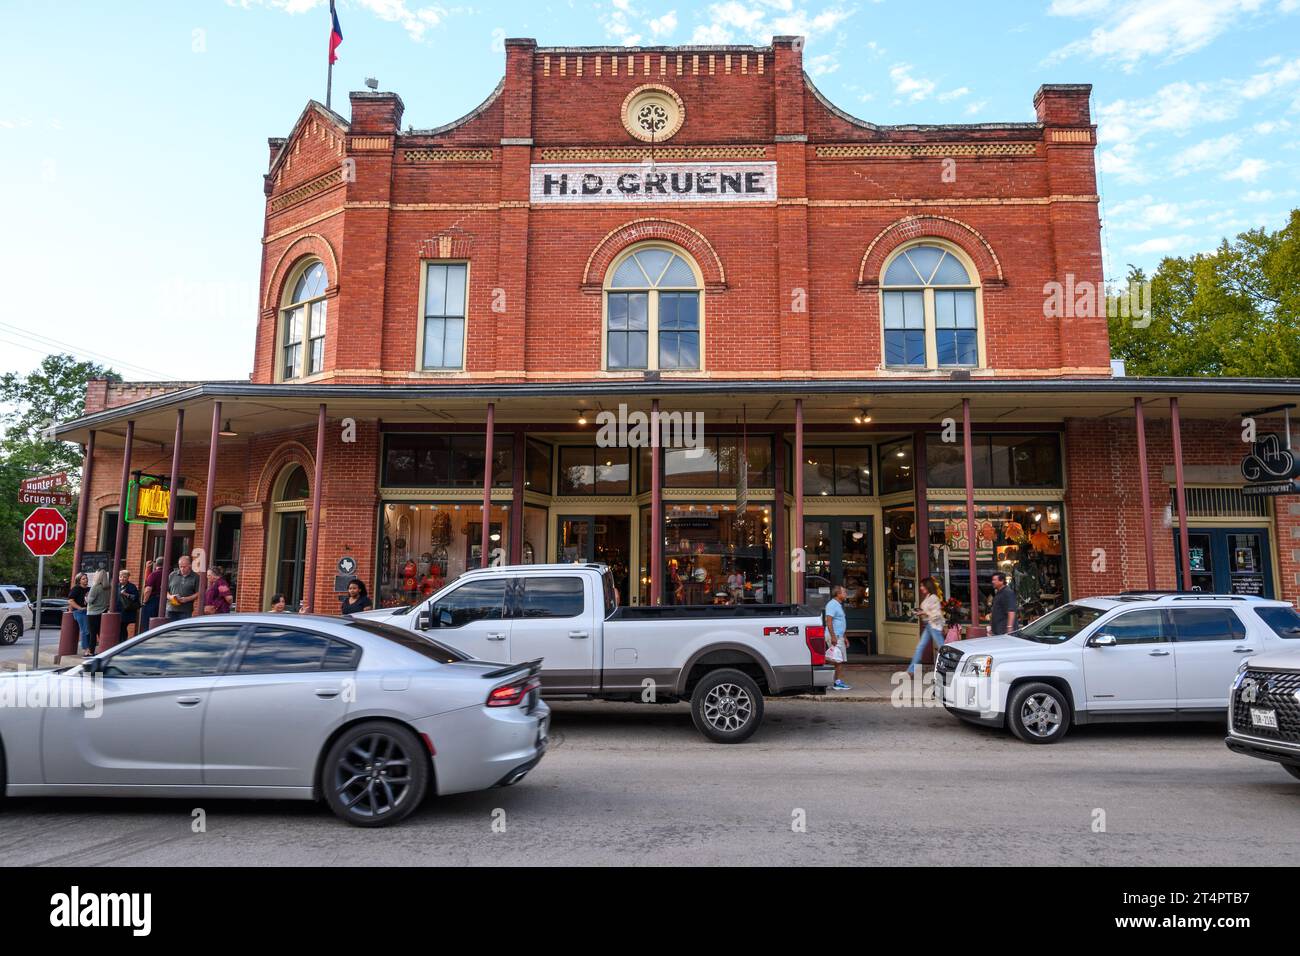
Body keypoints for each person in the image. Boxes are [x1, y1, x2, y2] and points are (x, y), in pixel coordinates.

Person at [908, 577, 946, 675]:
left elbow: (936, 614)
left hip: (935, 627)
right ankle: (911, 670)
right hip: (930, 625)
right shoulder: (928, 596)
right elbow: (928, 612)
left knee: (942, 648)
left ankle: (951, 667)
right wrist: (920, 612)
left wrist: (922, 612)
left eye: (922, 586)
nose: (921, 588)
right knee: (920, 647)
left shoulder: (934, 598)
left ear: (927, 586)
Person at [824, 584, 852, 690]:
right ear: (838, 594)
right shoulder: (832, 605)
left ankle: (830, 682)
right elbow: (829, 622)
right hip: (834, 636)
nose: (846, 594)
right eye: (844, 592)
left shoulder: (838, 605)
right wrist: (833, 637)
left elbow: (840, 622)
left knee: (834, 660)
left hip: (839, 636)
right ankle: (837, 683)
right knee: (838, 660)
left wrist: (845, 637)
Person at [166, 555, 201, 620]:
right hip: (170, 609)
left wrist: (187, 599)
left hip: (186, 610)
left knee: (183, 630)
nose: (182, 569)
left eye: (184, 567)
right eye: (180, 566)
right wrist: (171, 597)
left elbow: (199, 593)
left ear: (190, 565)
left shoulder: (196, 577)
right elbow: (165, 591)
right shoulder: (172, 575)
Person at [85, 570, 109, 655]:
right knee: (100, 632)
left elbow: (90, 600)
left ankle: (91, 651)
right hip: (103, 611)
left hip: (93, 612)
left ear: (97, 577)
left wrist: (86, 597)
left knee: (92, 633)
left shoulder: (95, 587)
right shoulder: (108, 587)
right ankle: (104, 650)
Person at [67, 572, 90, 652]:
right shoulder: (76, 588)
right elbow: (70, 600)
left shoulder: (89, 589)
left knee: (89, 630)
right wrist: (79, 608)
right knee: (85, 630)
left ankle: (89, 648)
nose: (86, 580)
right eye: (83, 579)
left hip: (88, 611)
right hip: (79, 612)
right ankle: (86, 649)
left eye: (86, 578)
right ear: (79, 580)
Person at [139, 558, 163, 632]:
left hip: (152, 601)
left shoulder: (154, 574)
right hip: (164, 601)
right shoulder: (169, 574)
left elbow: (148, 590)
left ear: (156, 564)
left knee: (147, 625)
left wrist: (144, 602)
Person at [117, 569, 141, 639]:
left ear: (128, 578)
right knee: (120, 628)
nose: (122, 578)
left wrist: (126, 594)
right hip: (118, 610)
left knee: (123, 627)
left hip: (126, 611)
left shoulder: (131, 586)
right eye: (120, 576)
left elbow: (135, 597)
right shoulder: (117, 586)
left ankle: (123, 642)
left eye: (124, 577)